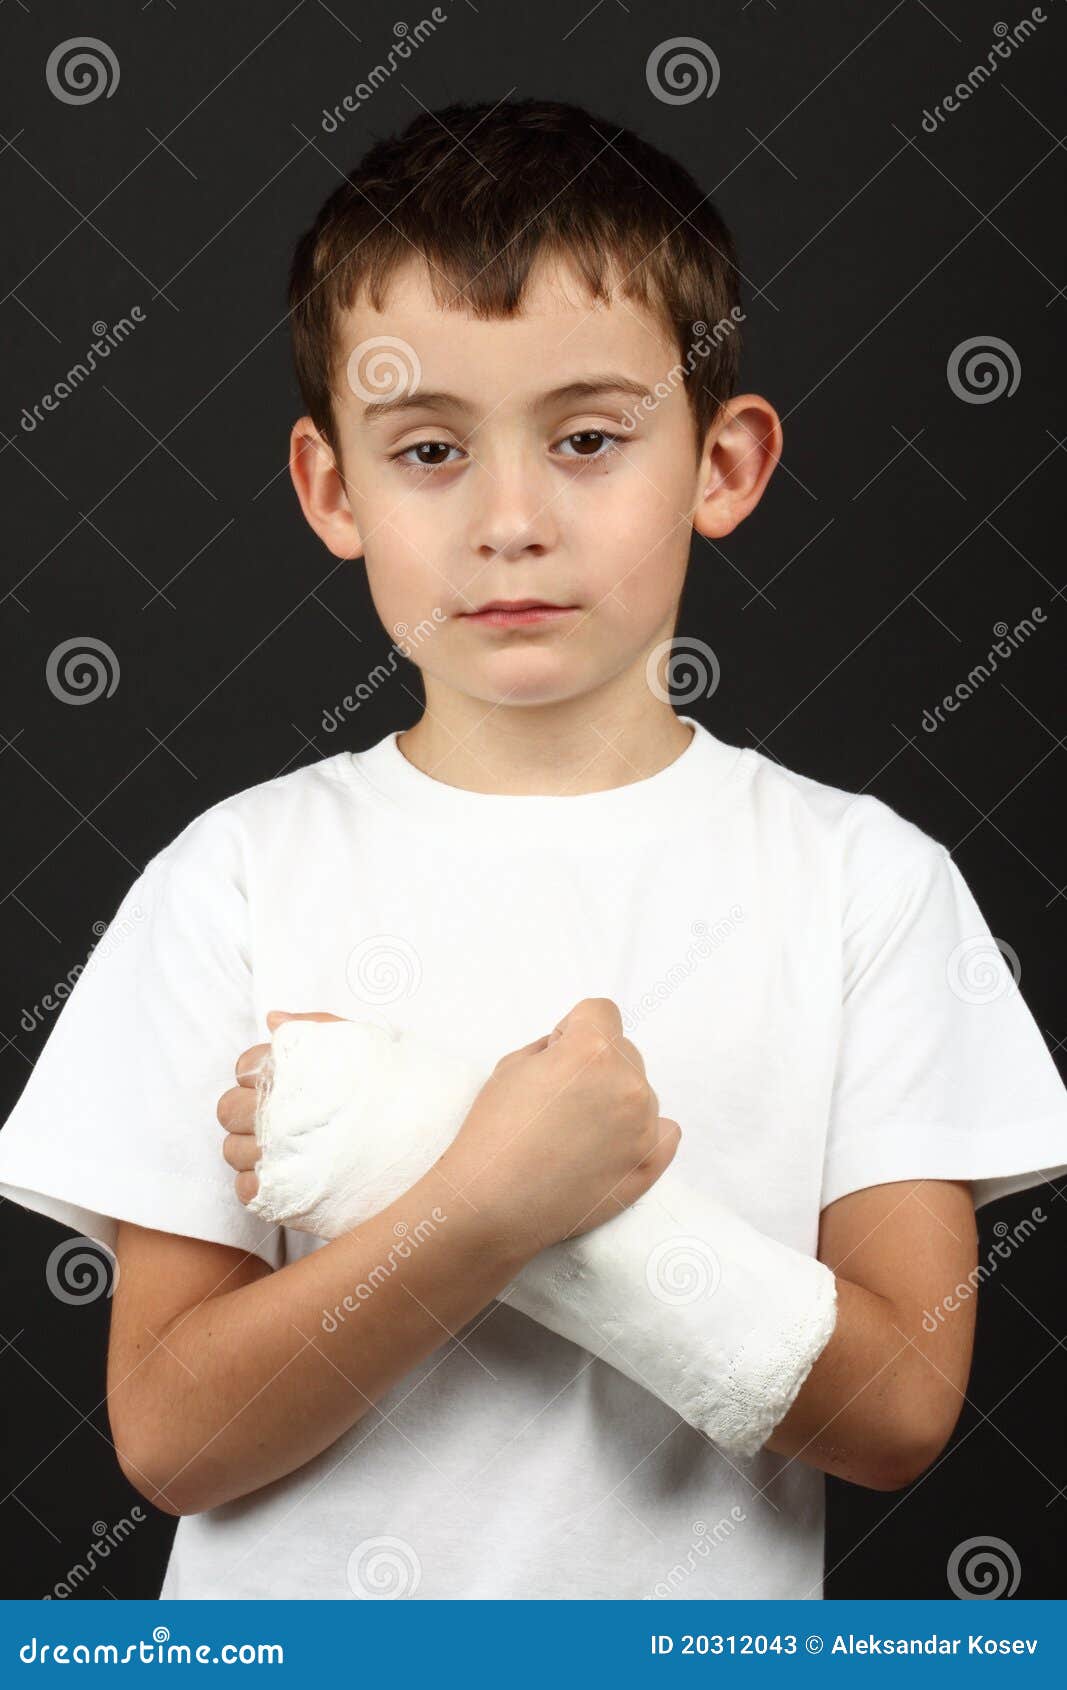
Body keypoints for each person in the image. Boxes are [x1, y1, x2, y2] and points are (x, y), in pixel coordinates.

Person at [1, 97, 1065, 1602]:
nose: (512, 518)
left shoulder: (864, 885)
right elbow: (173, 1436)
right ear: (331, 490)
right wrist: (481, 1203)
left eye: (586, 438)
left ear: (724, 462)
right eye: (429, 447)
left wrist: (579, 1211)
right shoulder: (233, 880)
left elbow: (896, 1412)